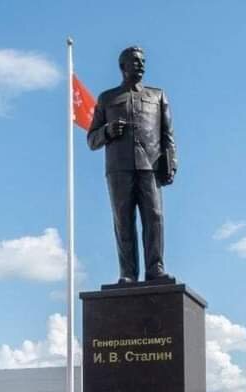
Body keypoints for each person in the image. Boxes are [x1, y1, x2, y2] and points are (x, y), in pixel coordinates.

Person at [87, 46, 176, 284]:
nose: (140, 65)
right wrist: (107, 131)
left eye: (143, 61)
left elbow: (168, 134)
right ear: (122, 66)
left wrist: (172, 162)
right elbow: (91, 139)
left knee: (154, 217)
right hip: (119, 168)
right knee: (123, 220)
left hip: (151, 165)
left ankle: (155, 268)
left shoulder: (157, 96)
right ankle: (128, 273)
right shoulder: (108, 98)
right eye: (135, 61)